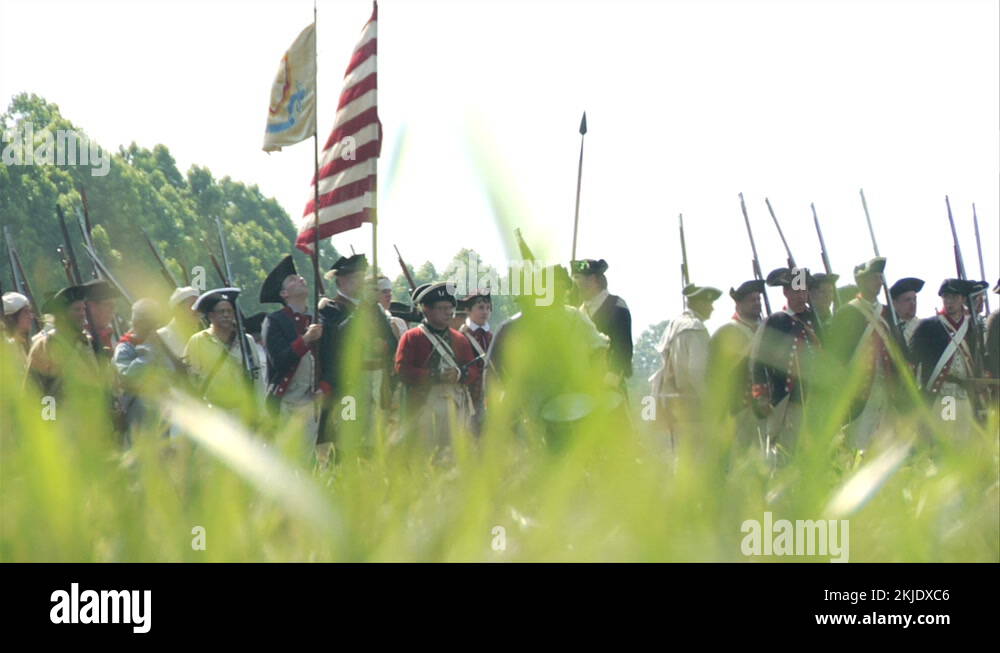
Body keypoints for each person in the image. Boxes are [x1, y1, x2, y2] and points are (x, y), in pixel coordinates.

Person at [395, 282, 480, 454]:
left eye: (450, 307)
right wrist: (435, 375)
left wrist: (459, 374)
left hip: (455, 405)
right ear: (426, 309)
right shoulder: (412, 337)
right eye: (442, 308)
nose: (448, 312)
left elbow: (473, 370)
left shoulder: (460, 339)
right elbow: (402, 370)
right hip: (423, 406)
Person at [750, 267, 822, 460]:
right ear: (786, 292)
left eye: (803, 291)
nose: (800, 296)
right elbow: (757, 361)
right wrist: (761, 396)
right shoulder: (776, 321)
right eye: (796, 292)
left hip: (813, 399)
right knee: (783, 454)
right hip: (787, 398)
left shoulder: (814, 320)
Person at [826, 258, 898, 450]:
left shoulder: (887, 313)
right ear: (861, 282)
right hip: (859, 390)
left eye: (879, 277)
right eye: (873, 278)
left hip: (885, 388)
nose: (878, 282)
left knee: (883, 443)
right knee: (858, 443)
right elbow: (836, 356)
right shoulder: (848, 313)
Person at [909, 279, 985, 442]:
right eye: (946, 297)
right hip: (945, 393)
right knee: (948, 436)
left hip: (966, 392)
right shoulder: (929, 326)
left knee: (965, 439)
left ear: (963, 299)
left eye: (954, 297)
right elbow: (914, 360)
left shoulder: (972, 327)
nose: (949, 302)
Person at [259, 255, 323, 447]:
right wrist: (305, 340)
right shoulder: (274, 321)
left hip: (311, 401)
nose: (301, 279)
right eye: (293, 279)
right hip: (286, 400)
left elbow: (329, 359)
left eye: (300, 277)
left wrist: (324, 387)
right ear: (284, 293)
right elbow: (279, 360)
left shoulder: (317, 319)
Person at [651, 284, 721, 447]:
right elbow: (697, 370)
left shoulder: (676, 324)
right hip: (693, 404)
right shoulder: (695, 328)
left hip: (675, 402)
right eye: (708, 303)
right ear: (698, 304)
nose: (712, 308)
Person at [183, 287, 262, 422]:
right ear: (211, 316)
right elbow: (190, 378)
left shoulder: (246, 340)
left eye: (229, 311)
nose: (226, 315)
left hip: (243, 413)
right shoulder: (198, 341)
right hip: (212, 413)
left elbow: (257, 378)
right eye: (221, 312)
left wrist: (261, 413)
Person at [707, 280, 764, 448]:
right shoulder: (726, 332)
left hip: (766, 405)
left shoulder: (767, 329)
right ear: (738, 304)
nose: (757, 304)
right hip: (739, 406)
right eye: (751, 300)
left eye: (758, 299)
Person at [25, 284, 98, 398]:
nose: (83, 314)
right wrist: (49, 415)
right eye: (77, 309)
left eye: (83, 309)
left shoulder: (87, 341)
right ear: (62, 315)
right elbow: (32, 390)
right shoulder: (45, 345)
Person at [113, 298, 170, 445]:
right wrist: (149, 351)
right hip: (137, 413)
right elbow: (127, 375)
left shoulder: (161, 345)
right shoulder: (125, 347)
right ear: (138, 323)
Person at [572, 259, 633, 391]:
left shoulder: (616, 305)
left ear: (593, 280)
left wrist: (612, 377)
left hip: (609, 383)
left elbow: (623, 347)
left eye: (577, 277)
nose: (574, 283)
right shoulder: (577, 311)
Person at [458, 290, 493, 434]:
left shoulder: (491, 335)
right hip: (467, 394)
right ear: (468, 310)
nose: (485, 312)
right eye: (480, 307)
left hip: (488, 393)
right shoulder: (460, 335)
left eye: (487, 308)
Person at [156, 286, 200, 371]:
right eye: (192, 306)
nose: (197, 310)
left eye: (198, 306)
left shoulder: (205, 336)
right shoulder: (160, 337)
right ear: (178, 310)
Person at [3, 291, 35, 371]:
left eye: (30, 312)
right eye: (26, 312)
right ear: (11, 318)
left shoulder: (29, 344)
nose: (31, 317)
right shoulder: (7, 349)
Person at [889, 277, 924, 346]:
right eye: (907, 300)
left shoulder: (923, 327)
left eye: (914, 299)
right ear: (894, 303)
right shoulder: (888, 327)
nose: (913, 303)